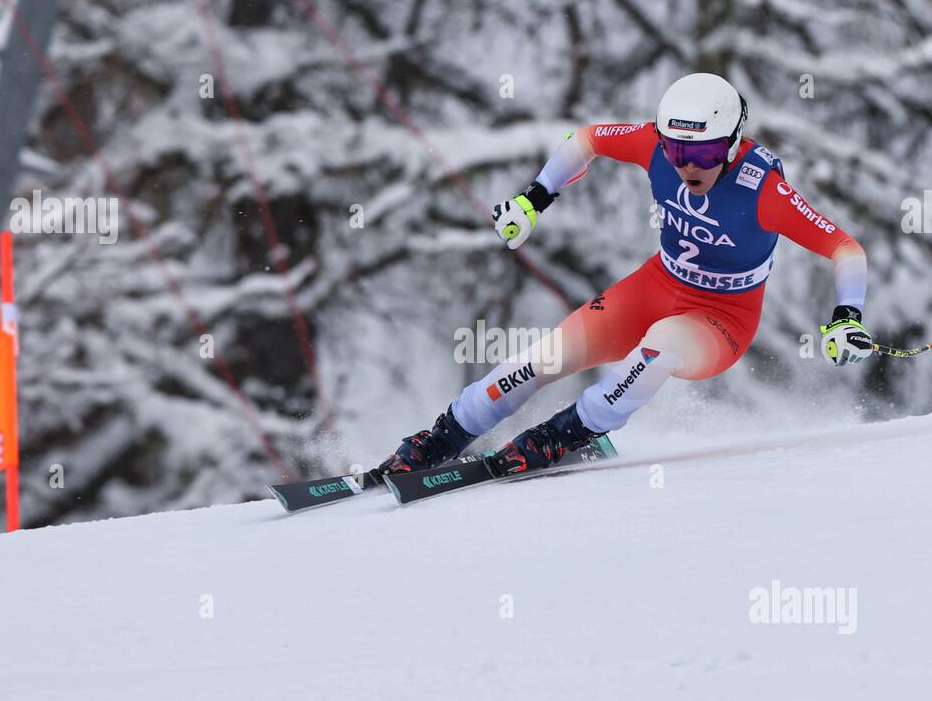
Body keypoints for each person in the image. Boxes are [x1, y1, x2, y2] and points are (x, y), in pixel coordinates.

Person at [372, 72, 873, 481]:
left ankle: (562, 435)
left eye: (699, 155)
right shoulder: (655, 147)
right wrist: (533, 199)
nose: (685, 166)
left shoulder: (761, 188)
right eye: (676, 151)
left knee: (657, 347)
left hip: (721, 319)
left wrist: (846, 315)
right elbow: (585, 140)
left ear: (731, 144)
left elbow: (844, 247)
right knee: (546, 356)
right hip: (655, 286)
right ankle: (443, 436)